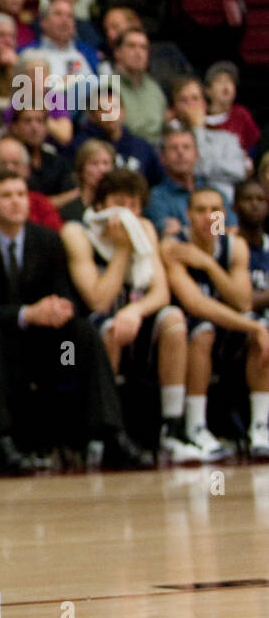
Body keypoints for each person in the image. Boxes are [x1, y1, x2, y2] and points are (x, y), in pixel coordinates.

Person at [0, 170, 127, 474]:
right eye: (6, 196)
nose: (16, 202)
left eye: (21, 195)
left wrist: (59, 307)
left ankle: (109, 433)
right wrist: (25, 313)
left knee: (80, 331)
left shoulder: (47, 239)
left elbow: (63, 292)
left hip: (46, 348)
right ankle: (1, 440)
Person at [61, 168, 181, 468]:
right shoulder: (77, 232)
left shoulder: (146, 229)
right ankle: (108, 433)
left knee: (174, 321)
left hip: (133, 316)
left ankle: (174, 426)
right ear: (100, 205)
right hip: (88, 330)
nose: (127, 213)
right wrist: (123, 249)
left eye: (133, 205)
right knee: (111, 328)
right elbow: (98, 300)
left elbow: (161, 292)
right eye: (119, 203)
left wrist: (134, 311)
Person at [160, 187, 267, 462]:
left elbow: (243, 302)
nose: (209, 217)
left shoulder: (235, 246)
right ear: (188, 215)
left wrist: (208, 263)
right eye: (200, 210)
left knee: (262, 330)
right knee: (204, 330)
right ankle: (195, 426)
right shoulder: (173, 247)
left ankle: (261, 427)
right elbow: (195, 303)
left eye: (215, 211)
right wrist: (253, 326)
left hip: (227, 329)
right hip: (182, 334)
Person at [233, 179, 269, 459]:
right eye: (248, 199)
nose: (255, 204)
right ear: (234, 206)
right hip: (236, 327)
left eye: (261, 199)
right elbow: (241, 299)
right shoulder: (231, 245)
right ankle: (260, 426)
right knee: (262, 331)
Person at [145, 125, 234, 238]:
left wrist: (185, 230)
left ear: (196, 154)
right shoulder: (156, 197)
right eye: (173, 148)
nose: (180, 153)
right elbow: (170, 236)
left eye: (186, 147)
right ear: (162, 157)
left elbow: (231, 231)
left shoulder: (215, 193)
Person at [170, 76, 248, 201]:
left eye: (195, 98)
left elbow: (240, 172)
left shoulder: (226, 139)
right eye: (183, 100)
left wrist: (198, 130)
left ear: (204, 104)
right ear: (174, 107)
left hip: (222, 210)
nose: (191, 105)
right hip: (180, 203)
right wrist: (197, 129)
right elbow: (193, 170)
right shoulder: (168, 140)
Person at [70, 85, 163, 187]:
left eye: (114, 107)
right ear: (92, 115)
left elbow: (157, 182)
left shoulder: (141, 147)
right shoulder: (80, 146)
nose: (110, 114)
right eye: (103, 109)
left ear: (123, 110)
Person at [0, 135, 63, 230]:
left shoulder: (42, 204)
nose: (9, 169)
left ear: (26, 169)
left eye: (16, 163)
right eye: (2, 163)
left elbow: (53, 240)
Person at [111, 26, 167, 147]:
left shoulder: (154, 88)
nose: (138, 52)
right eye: (131, 46)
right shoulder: (106, 87)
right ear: (118, 53)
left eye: (143, 47)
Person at [9, 107, 74, 206]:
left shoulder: (58, 162)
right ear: (15, 127)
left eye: (40, 121)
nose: (34, 127)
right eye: (27, 121)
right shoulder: (9, 162)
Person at [203, 62, 258, 154]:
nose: (226, 86)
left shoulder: (240, 114)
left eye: (230, 81)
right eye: (219, 81)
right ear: (208, 90)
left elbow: (255, 144)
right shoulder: (198, 115)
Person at [60, 139, 116, 224]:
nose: (102, 169)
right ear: (82, 169)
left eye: (106, 163)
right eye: (94, 163)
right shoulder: (69, 210)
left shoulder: (118, 206)